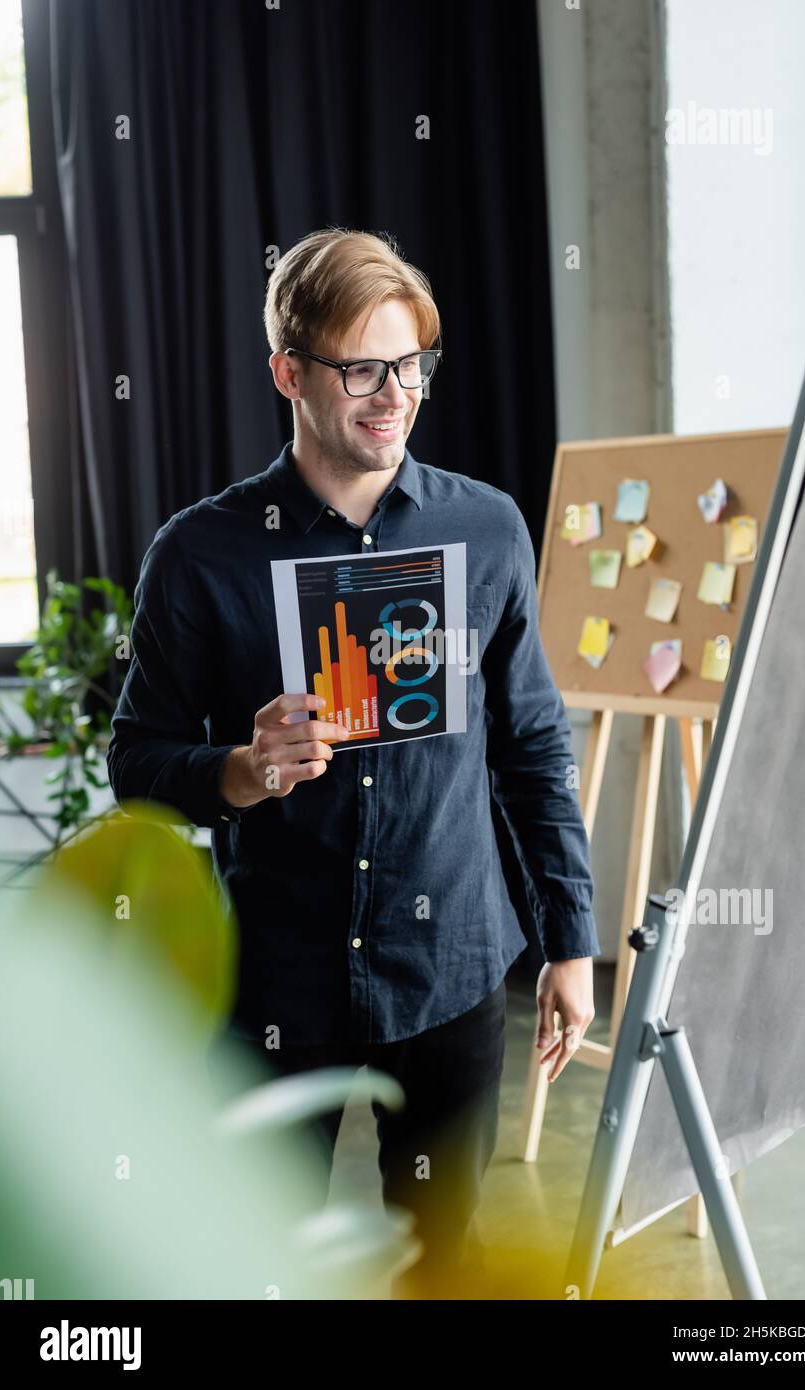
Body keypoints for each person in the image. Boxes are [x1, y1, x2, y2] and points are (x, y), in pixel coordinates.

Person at [106, 227, 600, 1299]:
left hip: (456, 965)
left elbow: (532, 746)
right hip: (281, 977)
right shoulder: (200, 554)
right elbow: (136, 763)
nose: (395, 394)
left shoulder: (488, 528)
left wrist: (571, 939)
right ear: (290, 371)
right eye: (363, 368)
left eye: (411, 364)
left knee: (449, 1262)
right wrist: (241, 768)